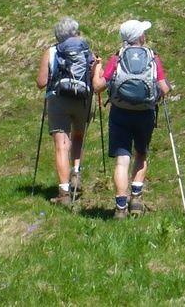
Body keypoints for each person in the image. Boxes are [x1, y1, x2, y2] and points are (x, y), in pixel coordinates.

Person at [102, 19, 171, 218]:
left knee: (122, 160)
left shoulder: (116, 58)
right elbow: (163, 87)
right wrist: (166, 90)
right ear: (139, 36)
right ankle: (137, 199)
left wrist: (96, 71)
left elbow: (102, 84)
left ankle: (120, 207)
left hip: (120, 112)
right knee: (141, 153)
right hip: (145, 113)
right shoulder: (152, 57)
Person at [36, 17, 95, 207]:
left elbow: (41, 82)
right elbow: (94, 74)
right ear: (75, 32)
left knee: (62, 144)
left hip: (58, 99)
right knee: (78, 136)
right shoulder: (86, 50)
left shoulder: (51, 51)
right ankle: (76, 172)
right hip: (81, 99)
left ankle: (64, 192)